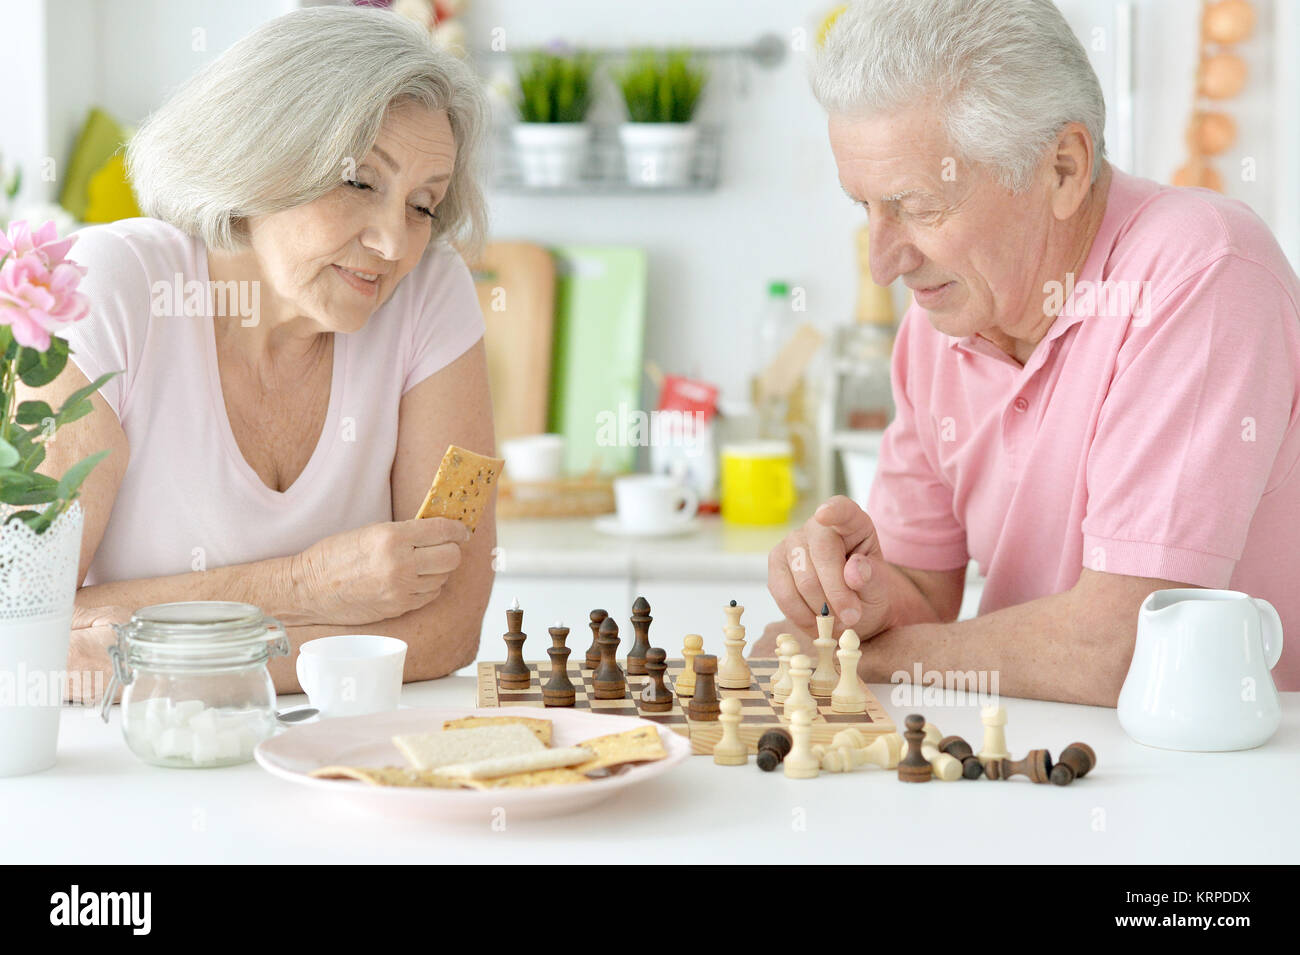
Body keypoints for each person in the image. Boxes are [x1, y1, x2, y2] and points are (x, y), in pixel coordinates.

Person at [758, 0, 1300, 704]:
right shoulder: (941, 321)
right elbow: (924, 588)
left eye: (918, 207)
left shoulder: (1200, 272)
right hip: (1035, 760)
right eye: (865, 208)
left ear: (1065, 168)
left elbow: (1123, 647)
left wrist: (868, 660)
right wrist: (855, 595)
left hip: (1233, 779)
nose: (883, 265)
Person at [23, 7, 497, 698]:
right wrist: (308, 587)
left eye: (423, 205)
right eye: (361, 182)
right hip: (128, 772)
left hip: (344, 767)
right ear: (260, 154)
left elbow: (452, 625)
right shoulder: (111, 289)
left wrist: (149, 651)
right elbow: (27, 631)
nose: (396, 244)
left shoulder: (431, 293)